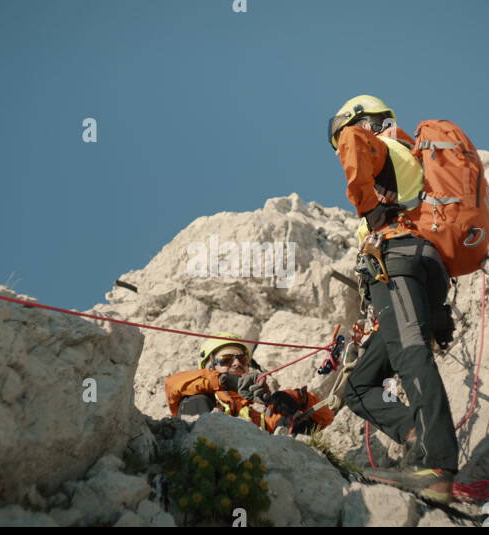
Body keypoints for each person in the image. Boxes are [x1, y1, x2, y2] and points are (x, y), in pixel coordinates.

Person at [328, 94, 459, 503]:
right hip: (421, 267)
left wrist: (367, 208)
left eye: (351, 129)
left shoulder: (381, 146)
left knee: (410, 355)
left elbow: (351, 141)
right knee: (360, 385)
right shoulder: (410, 158)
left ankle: (437, 466)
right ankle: (415, 432)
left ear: (366, 122)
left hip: (396, 261)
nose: (344, 145)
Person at [164, 333, 334, 434]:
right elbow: (173, 384)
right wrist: (224, 381)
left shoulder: (252, 414)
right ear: (209, 366)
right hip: (200, 451)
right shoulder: (198, 396)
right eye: (226, 360)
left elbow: (325, 418)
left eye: (242, 359)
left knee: (284, 422)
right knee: (198, 400)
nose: (237, 364)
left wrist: (298, 398)